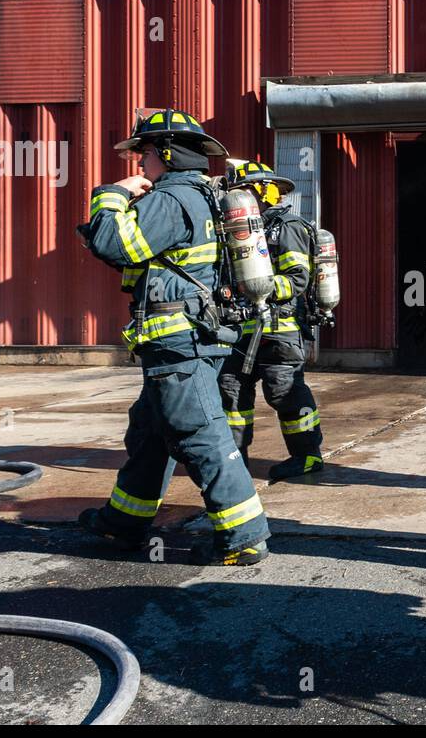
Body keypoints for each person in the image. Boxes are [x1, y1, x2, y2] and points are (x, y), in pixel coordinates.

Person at [77, 109, 270, 566]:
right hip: (191, 337)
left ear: (166, 154)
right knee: (150, 433)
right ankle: (122, 522)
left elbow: (116, 245)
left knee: (199, 434)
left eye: (144, 153)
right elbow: (136, 258)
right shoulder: (204, 196)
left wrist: (110, 195)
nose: (140, 164)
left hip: (178, 341)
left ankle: (245, 535)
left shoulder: (171, 199)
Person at [216, 160, 324, 483]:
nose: (236, 199)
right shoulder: (240, 231)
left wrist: (262, 287)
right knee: (231, 392)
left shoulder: (288, 227)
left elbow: (298, 279)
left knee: (285, 392)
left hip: (279, 329)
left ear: (263, 191)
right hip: (240, 330)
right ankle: (236, 459)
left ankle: (307, 456)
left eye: (243, 191)